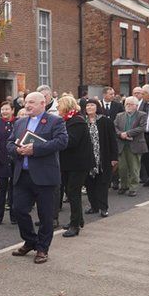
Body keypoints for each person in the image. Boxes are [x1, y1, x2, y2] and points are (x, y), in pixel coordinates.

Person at [9, 92, 68, 264]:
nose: (27, 105)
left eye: (32, 103)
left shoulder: (55, 121)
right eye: (26, 102)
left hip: (45, 176)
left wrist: (35, 149)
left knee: (45, 215)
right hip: (23, 174)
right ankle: (30, 241)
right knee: (18, 209)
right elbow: (10, 142)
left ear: (43, 104)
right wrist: (17, 150)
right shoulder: (20, 122)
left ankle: (42, 248)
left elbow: (62, 142)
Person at [57, 96, 92, 238]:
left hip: (78, 164)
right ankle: (78, 219)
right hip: (69, 163)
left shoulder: (76, 121)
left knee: (73, 193)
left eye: (59, 106)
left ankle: (74, 225)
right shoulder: (68, 121)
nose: (58, 109)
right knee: (70, 191)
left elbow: (71, 141)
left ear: (66, 107)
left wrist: (56, 139)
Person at [83, 99, 117, 218]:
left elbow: (113, 140)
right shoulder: (83, 121)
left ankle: (104, 207)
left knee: (102, 184)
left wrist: (114, 157)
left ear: (97, 107)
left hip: (103, 157)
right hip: (87, 158)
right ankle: (94, 206)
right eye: (87, 105)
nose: (89, 107)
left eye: (92, 105)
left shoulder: (105, 121)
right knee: (89, 184)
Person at [114, 96, 147, 197]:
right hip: (122, 145)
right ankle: (124, 185)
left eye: (131, 104)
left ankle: (133, 187)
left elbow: (142, 128)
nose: (128, 106)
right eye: (127, 104)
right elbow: (114, 127)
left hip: (135, 144)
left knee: (134, 168)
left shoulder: (142, 115)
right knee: (122, 168)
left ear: (136, 106)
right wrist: (121, 134)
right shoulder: (119, 116)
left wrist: (127, 133)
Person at [0, 102, 16, 226]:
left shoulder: (17, 122)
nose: (4, 111)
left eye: (7, 109)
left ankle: (14, 216)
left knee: (14, 189)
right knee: (1, 189)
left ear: (12, 110)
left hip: (15, 161)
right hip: (1, 161)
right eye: (2, 109)